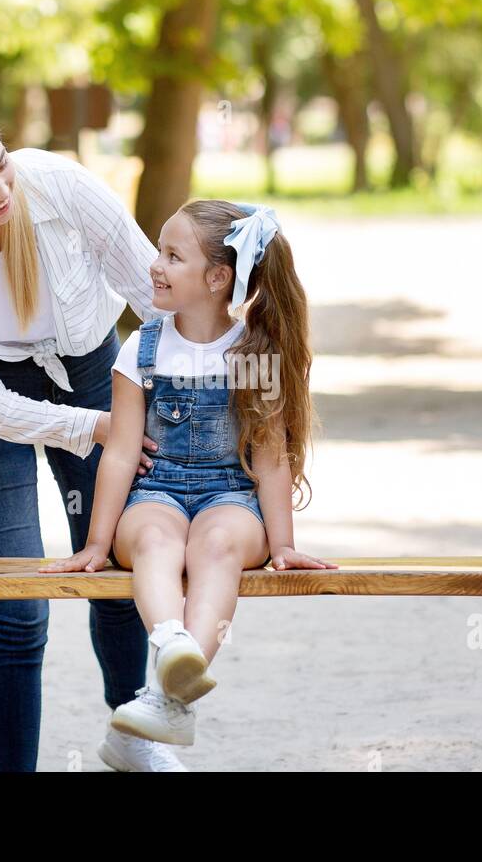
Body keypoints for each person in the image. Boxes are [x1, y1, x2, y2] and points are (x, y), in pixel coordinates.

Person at [0, 99, 186, 772]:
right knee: (18, 604)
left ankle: (132, 737)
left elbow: (152, 290)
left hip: (86, 365)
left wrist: (190, 391)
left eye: (1, 169)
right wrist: (96, 428)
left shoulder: (60, 185)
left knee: (114, 564)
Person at [42, 199, 338, 749]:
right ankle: (173, 643)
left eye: (172, 255)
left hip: (231, 497)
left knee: (219, 544)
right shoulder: (143, 346)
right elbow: (122, 453)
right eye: (160, 251)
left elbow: (271, 457)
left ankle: (166, 699)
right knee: (156, 539)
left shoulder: (253, 352)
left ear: (218, 277)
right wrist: (98, 542)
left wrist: (284, 544)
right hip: (155, 494)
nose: (155, 264)